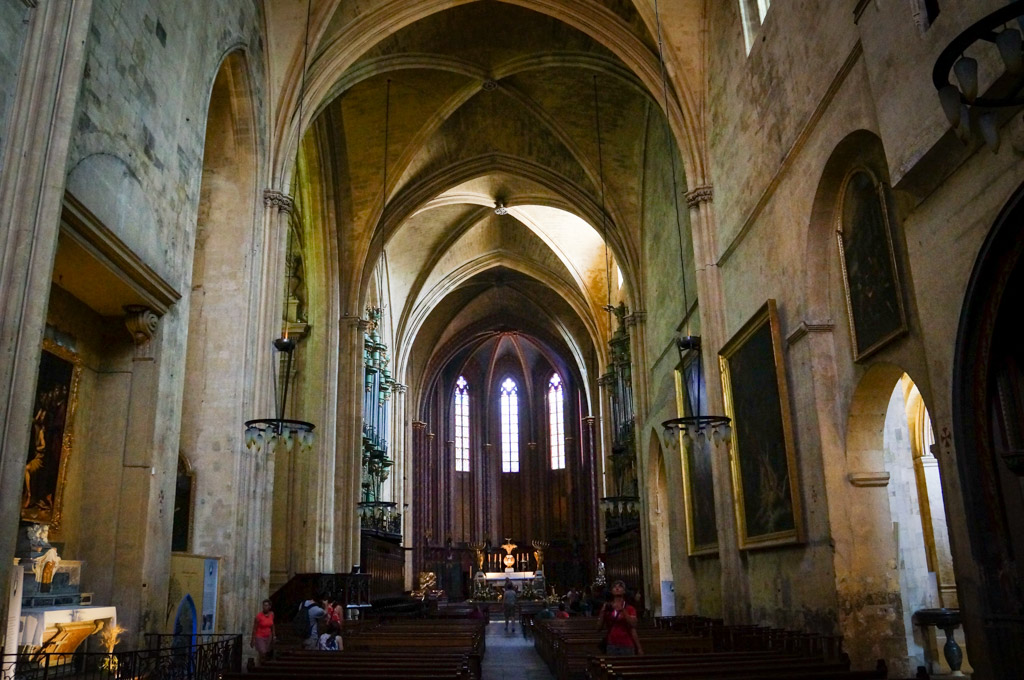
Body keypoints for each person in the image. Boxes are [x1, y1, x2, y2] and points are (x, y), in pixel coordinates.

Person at [598, 580, 642, 656]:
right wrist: (602, 612)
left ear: (624, 591)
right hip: (612, 644)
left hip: (627, 644)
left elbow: (633, 625)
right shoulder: (608, 607)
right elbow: (598, 628)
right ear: (611, 591)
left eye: (620, 586)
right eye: (615, 587)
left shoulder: (629, 608)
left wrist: (623, 610)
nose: (617, 588)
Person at [250, 599, 275, 664]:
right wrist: (252, 639)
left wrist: (274, 635)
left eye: (266, 605)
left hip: (268, 635)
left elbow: (272, 625)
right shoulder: (259, 616)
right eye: (264, 605)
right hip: (260, 636)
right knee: (262, 651)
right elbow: (254, 628)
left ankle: (263, 665)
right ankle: (261, 664)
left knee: (266, 652)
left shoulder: (271, 614)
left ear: (269, 607)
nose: (264, 607)